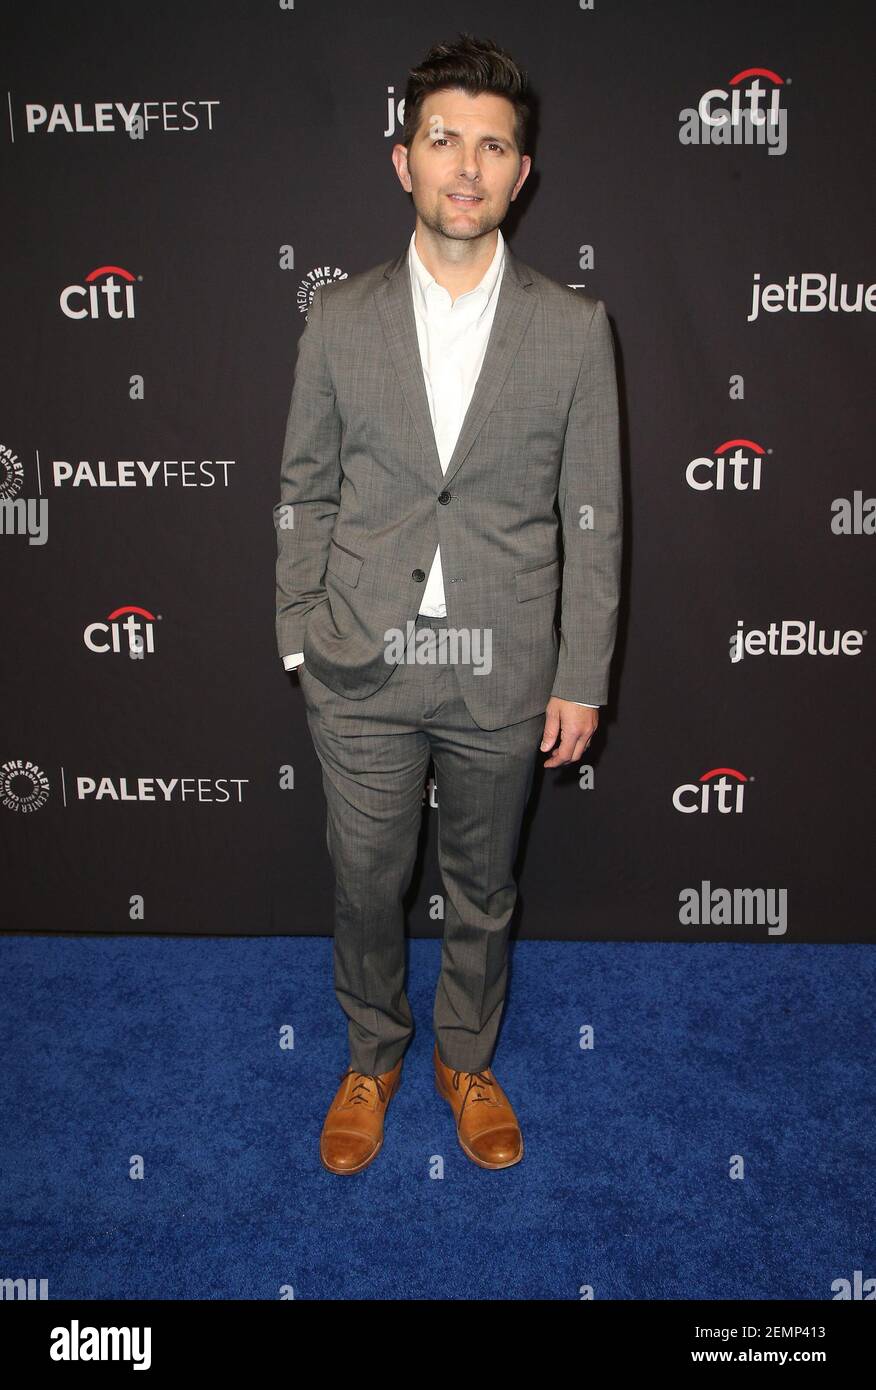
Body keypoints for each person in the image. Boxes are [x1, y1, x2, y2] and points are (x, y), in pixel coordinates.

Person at [273, 32, 622, 1173]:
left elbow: (593, 513)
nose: (465, 167)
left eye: (492, 146)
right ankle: (372, 1051)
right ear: (402, 161)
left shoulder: (576, 330)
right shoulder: (338, 319)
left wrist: (582, 671)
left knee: (483, 883)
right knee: (367, 882)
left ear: (521, 175)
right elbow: (303, 487)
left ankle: (465, 1054)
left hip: (503, 662)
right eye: (443, 140)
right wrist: (296, 637)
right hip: (361, 662)